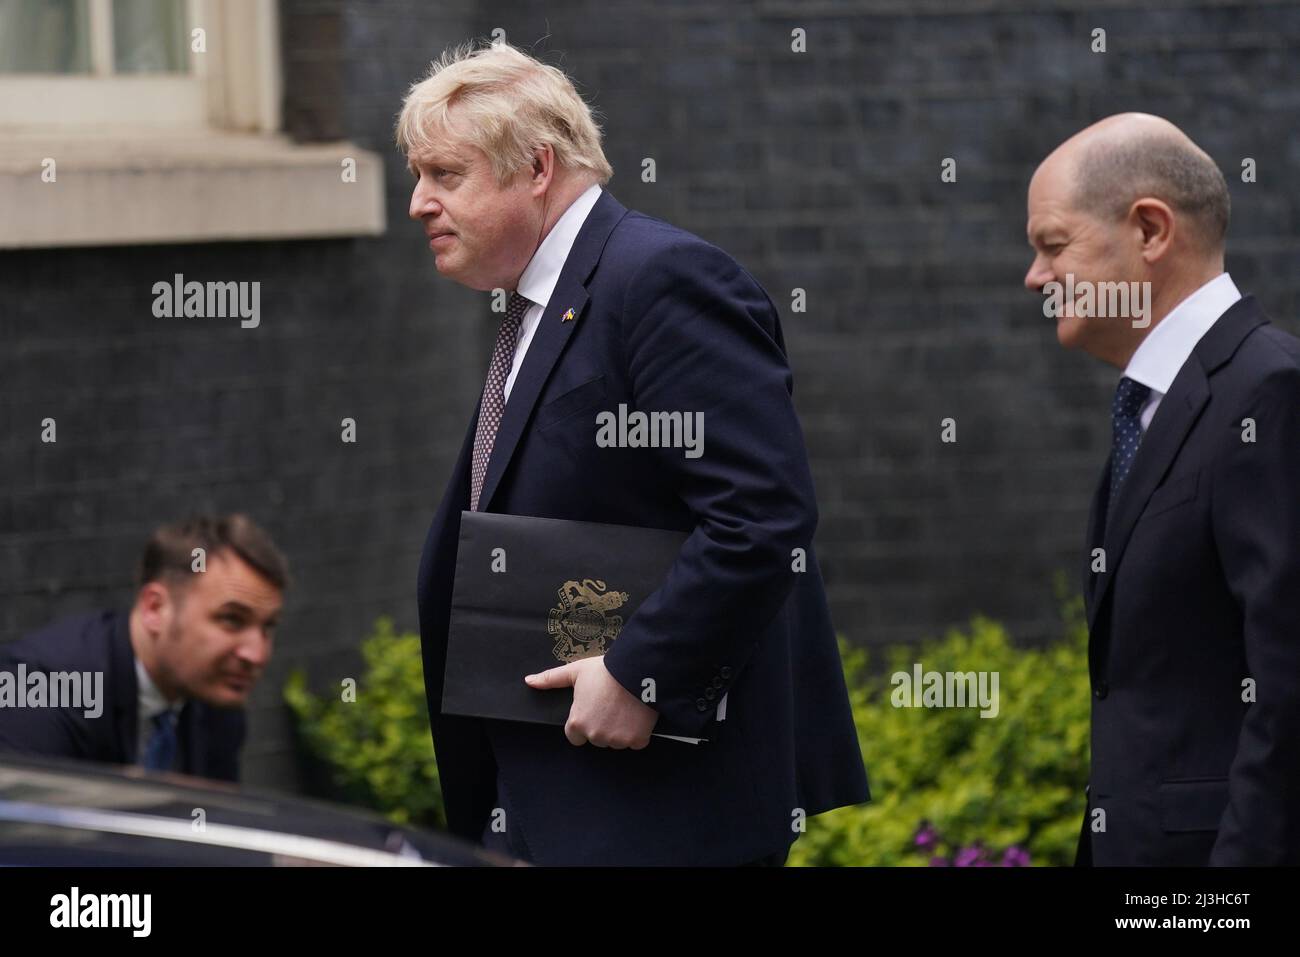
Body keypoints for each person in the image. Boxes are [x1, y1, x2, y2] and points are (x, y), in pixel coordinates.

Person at [401, 41, 869, 865]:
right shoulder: (539, 302)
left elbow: (762, 517)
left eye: (445, 174)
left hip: (659, 805)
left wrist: (638, 669)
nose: (417, 203)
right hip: (563, 795)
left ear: (537, 167)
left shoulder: (660, 279)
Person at [1024, 113, 1300, 865]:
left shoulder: (1269, 392)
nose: (1036, 277)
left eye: (1053, 246)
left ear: (1150, 230)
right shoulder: (1152, 407)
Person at [0, 514, 286, 782]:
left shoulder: (216, 699)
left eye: (267, 627)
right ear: (155, 609)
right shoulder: (43, 686)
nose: (256, 654)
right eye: (231, 619)